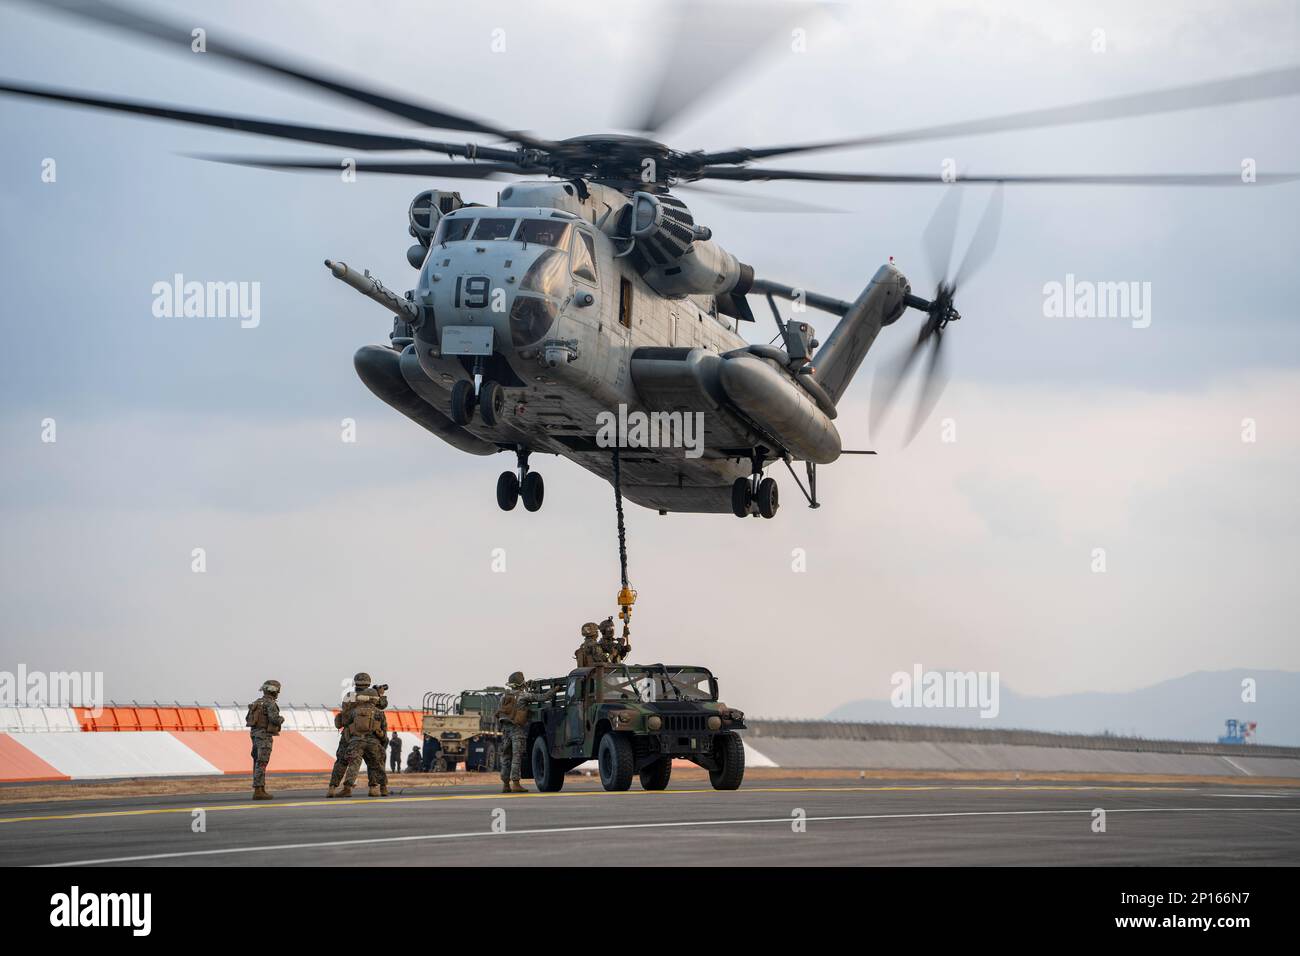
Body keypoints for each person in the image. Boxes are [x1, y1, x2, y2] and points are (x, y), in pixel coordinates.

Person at [337, 672, 390, 798]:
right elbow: (382, 705)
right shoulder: (374, 701)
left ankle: (346, 788)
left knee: (353, 763)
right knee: (376, 763)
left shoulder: (350, 697)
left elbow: (345, 717)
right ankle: (380, 788)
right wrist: (380, 694)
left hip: (354, 737)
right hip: (373, 738)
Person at [494, 671, 533, 793]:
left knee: (506, 757)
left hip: (506, 731)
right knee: (517, 756)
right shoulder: (524, 696)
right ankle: (516, 783)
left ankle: (506, 784)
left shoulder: (504, 697)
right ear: (521, 682)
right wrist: (553, 691)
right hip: (517, 731)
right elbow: (541, 697)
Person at [246, 679, 284, 800]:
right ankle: (258, 790)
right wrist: (281, 719)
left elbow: (248, 719)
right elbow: (274, 719)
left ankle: (260, 788)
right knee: (262, 763)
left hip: (255, 734)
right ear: (274, 691)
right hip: (264, 736)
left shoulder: (257, 702)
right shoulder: (270, 703)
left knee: (257, 762)